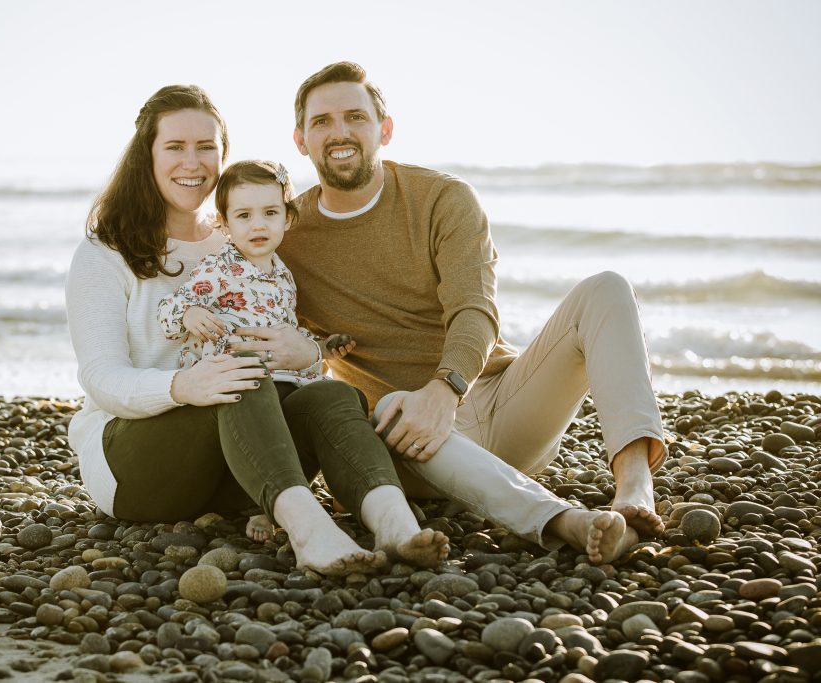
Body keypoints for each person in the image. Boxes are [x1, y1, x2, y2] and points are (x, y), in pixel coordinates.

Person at [233, 62, 668, 564]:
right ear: (300, 140)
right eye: (322, 122)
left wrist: (446, 389)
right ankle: (562, 521)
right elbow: (235, 293)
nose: (340, 132)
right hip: (403, 440)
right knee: (392, 402)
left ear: (385, 129)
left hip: (500, 402)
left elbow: (475, 309)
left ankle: (634, 485)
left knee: (606, 289)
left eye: (355, 116)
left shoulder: (442, 198)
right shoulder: (285, 232)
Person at [65, 84, 449, 575]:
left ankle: (395, 524)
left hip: (245, 465)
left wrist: (310, 354)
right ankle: (307, 530)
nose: (193, 162)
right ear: (147, 154)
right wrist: (182, 386)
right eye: (175, 147)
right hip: (140, 466)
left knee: (333, 398)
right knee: (237, 372)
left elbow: (288, 330)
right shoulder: (105, 253)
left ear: (223, 155)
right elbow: (100, 377)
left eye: (207, 147)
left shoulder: (241, 237)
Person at [156, 158, 355, 541]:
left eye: (269, 213)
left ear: (287, 218)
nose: (258, 225)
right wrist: (190, 312)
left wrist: (319, 350)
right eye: (244, 215)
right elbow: (166, 312)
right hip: (233, 389)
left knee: (318, 412)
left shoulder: (283, 276)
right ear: (225, 224)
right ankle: (276, 507)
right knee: (264, 402)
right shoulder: (218, 269)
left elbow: (284, 329)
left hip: (281, 379)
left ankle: (289, 503)